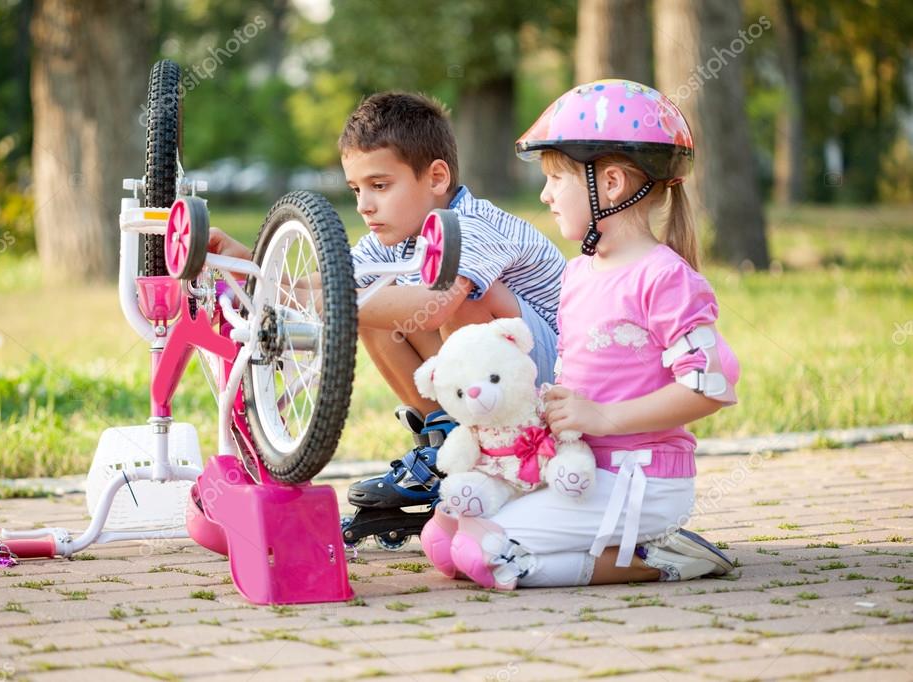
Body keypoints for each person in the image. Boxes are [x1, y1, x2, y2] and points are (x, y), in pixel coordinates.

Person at [422, 79, 740, 590]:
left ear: (609, 184)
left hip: (642, 478)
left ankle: (660, 559)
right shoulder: (579, 273)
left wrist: (605, 417)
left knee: (479, 551)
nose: (545, 193)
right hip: (578, 469)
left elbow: (711, 386)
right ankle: (615, 543)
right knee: (440, 542)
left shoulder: (664, 277)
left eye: (556, 178)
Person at [210, 92, 567, 514]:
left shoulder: (470, 225)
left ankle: (479, 443)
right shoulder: (396, 239)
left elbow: (434, 306)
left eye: (380, 186)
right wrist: (254, 270)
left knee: (463, 297)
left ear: (436, 178)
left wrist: (340, 304)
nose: (364, 205)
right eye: (357, 189)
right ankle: (443, 442)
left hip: (552, 381)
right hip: (488, 384)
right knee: (374, 304)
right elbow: (328, 284)